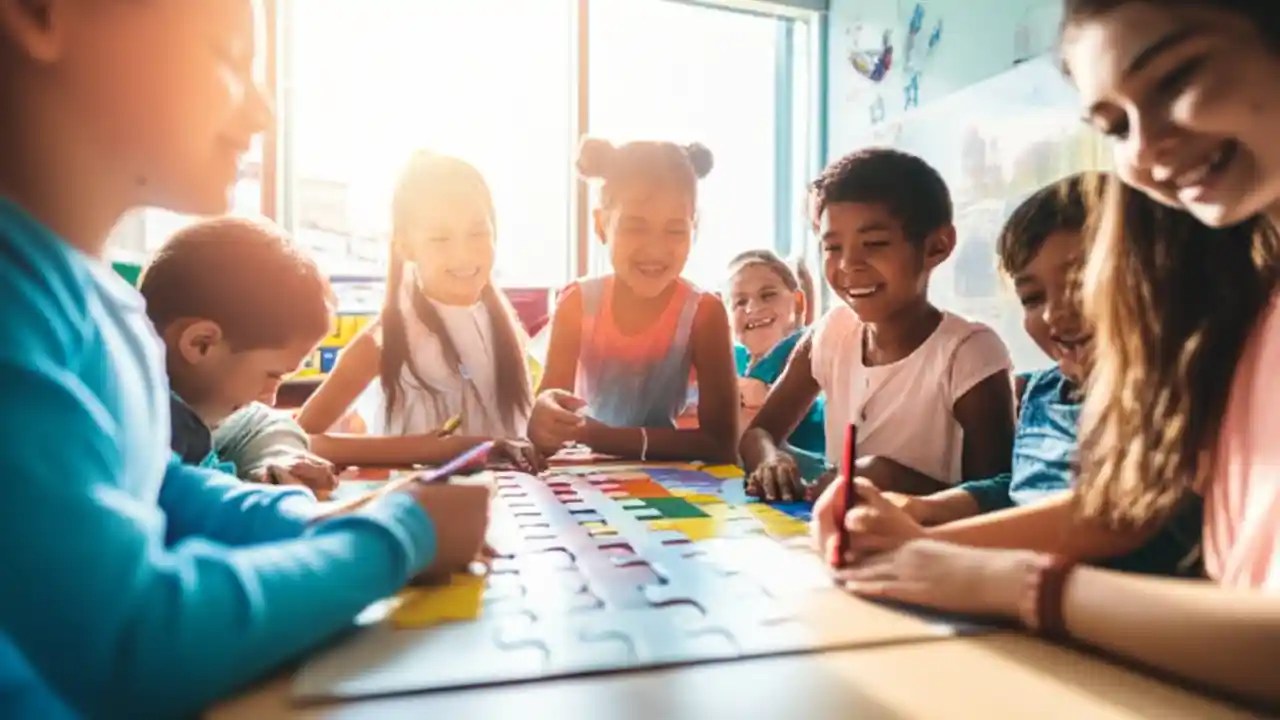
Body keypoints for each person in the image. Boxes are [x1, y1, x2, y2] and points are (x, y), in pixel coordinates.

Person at [0, 3, 489, 716]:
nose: (262, 112)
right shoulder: (14, 307)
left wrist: (316, 524)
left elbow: (157, 488)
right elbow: (132, 643)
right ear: (47, 13)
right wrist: (396, 538)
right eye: (229, 57)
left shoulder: (107, 301)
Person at [816, 1, 1280, 708]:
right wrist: (918, 540)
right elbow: (1117, 506)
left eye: (1178, 78)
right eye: (1116, 126)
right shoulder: (1234, 318)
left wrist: (1008, 581)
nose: (1147, 148)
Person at [741, 149, 1016, 501]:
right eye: (833, 247)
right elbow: (758, 432)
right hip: (836, 544)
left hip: (925, 549)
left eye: (874, 244)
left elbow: (998, 502)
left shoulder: (968, 354)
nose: (849, 264)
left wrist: (885, 478)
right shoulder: (832, 332)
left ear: (937, 246)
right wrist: (770, 460)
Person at [298, 152, 542, 471]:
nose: (463, 253)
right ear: (406, 246)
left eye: (478, 233)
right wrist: (434, 450)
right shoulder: (385, 339)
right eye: (441, 238)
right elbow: (298, 439)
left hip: (509, 508)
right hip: (419, 510)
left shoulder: (505, 328)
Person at [528, 137, 739, 463]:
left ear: (694, 228)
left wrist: (599, 437)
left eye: (675, 231)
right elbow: (547, 427)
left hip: (676, 484)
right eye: (635, 227)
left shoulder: (704, 313)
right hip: (588, 482)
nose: (655, 249)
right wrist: (543, 420)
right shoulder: (577, 304)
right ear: (601, 225)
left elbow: (721, 445)